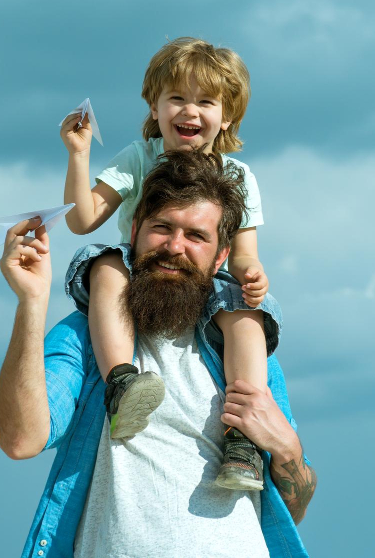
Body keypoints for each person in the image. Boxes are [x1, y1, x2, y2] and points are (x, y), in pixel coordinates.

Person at [0, 150, 317, 557]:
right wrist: (31, 302)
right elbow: (21, 439)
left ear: (221, 256)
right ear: (134, 232)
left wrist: (287, 448)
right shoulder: (85, 339)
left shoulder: (244, 352)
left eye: (196, 236)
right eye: (162, 227)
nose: (175, 246)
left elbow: (292, 508)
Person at [60, 37, 271, 489]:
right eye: (176, 98)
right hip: (141, 274)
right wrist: (79, 155)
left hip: (202, 280)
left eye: (205, 102)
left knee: (248, 310)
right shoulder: (139, 158)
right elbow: (82, 220)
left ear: (227, 116)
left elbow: (244, 252)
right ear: (154, 108)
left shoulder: (239, 176)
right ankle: (122, 383)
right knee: (105, 263)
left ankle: (243, 438)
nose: (189, 111)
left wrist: (251, 274)